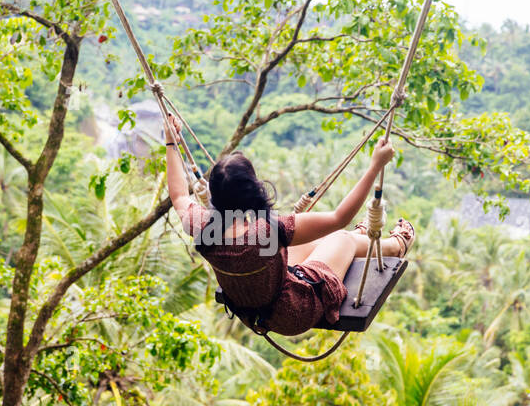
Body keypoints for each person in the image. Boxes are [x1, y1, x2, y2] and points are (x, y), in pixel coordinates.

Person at [164, 114, 415, 336]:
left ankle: (360, 239)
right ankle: (395, 246)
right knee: (340, 237)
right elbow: (339, 217)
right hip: (294, 311)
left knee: (321, 239)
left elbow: (178, 195)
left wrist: (171, 142)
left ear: (214, 196)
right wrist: (375, 166)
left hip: (254, 311)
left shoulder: (204, 228)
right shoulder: (268, 233)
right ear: (255, 192)